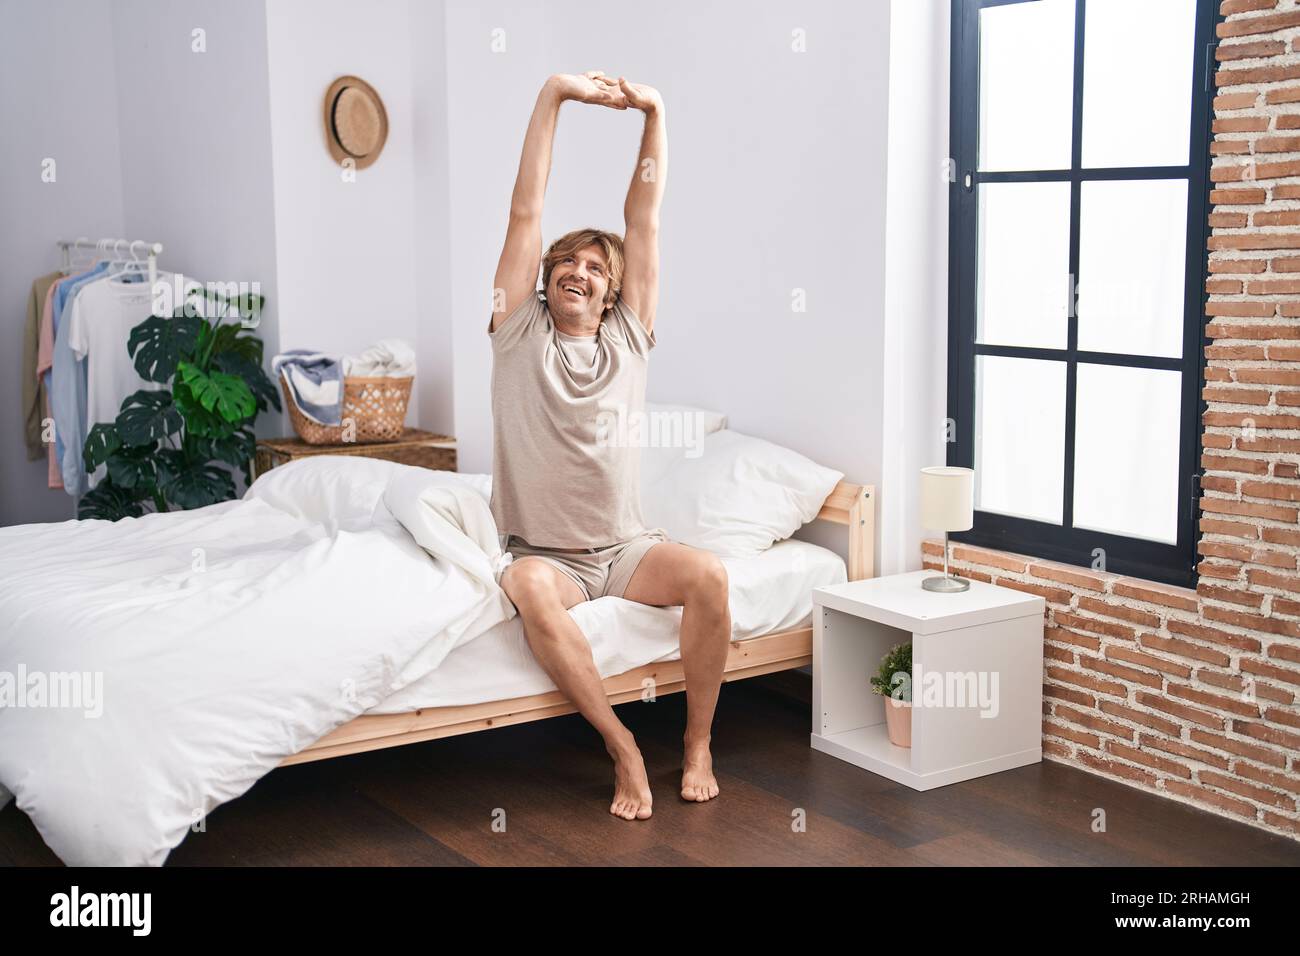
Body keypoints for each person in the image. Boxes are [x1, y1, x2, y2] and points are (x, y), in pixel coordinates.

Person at [488, 72, 731, 821]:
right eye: (567, 262)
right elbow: (526, 208)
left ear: (613, 293)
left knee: (710, 576)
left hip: (626, 549)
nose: (579, 271)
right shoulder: (516, 331)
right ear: (546, 278)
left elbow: (644, 219)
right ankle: (622, 746)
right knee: (527, 586)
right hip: (548, 555)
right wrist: (554, 95)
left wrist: (654, 111)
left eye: (597, 268)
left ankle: (697, 743)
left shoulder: (629, 336)